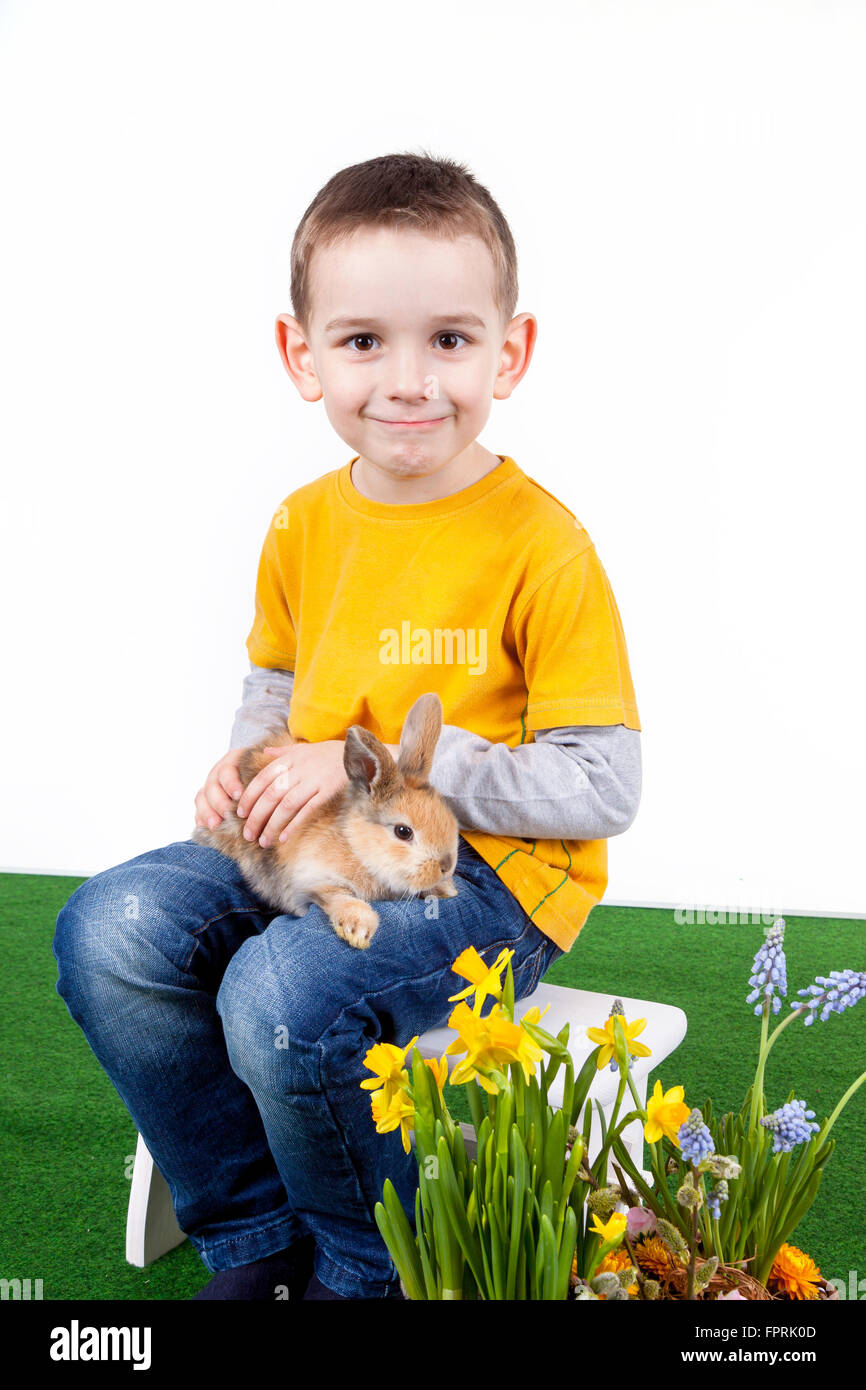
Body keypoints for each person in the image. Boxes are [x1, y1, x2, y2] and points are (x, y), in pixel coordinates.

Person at [52, 151, 642, 1301]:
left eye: (451, 340)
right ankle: (252, 1231)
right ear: (301, 354)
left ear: (508, 353)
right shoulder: (301, 522)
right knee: (108, 927)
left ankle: (366, 1269)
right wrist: (247, 767)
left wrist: (425, 776)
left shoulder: (543, 546)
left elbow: (602, 785)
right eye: (364, 340)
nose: (408, 380)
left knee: (278, 991)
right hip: (308, 847)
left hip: (483, 882)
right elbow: (272, 681)